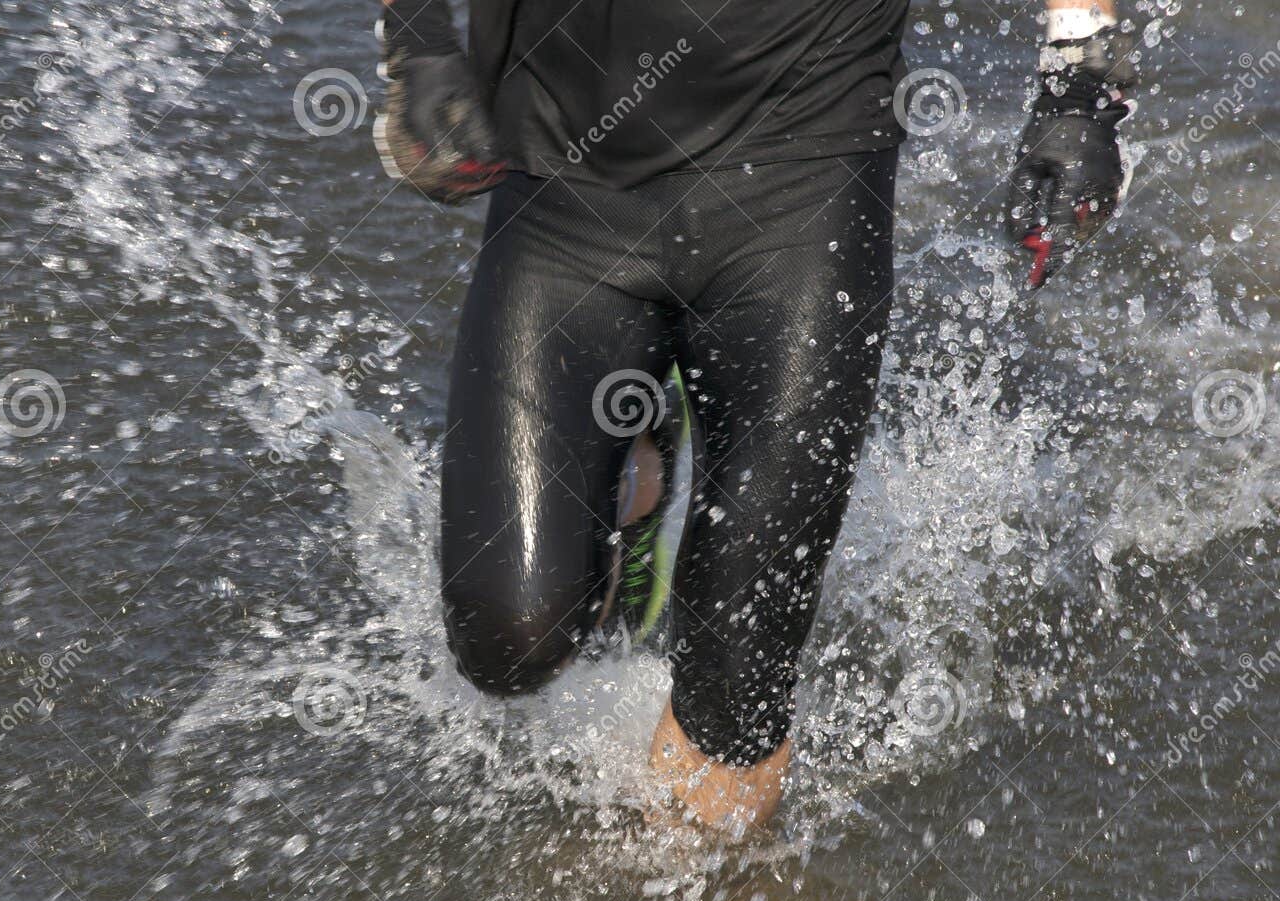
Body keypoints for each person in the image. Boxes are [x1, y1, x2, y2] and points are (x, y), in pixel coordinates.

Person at [373, 0, 1138, 833]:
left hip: (804, 162)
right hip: (564, 160)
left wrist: (1081, 79)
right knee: (508, 640)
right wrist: (415, 38)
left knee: (739, 674)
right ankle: (637, 458)